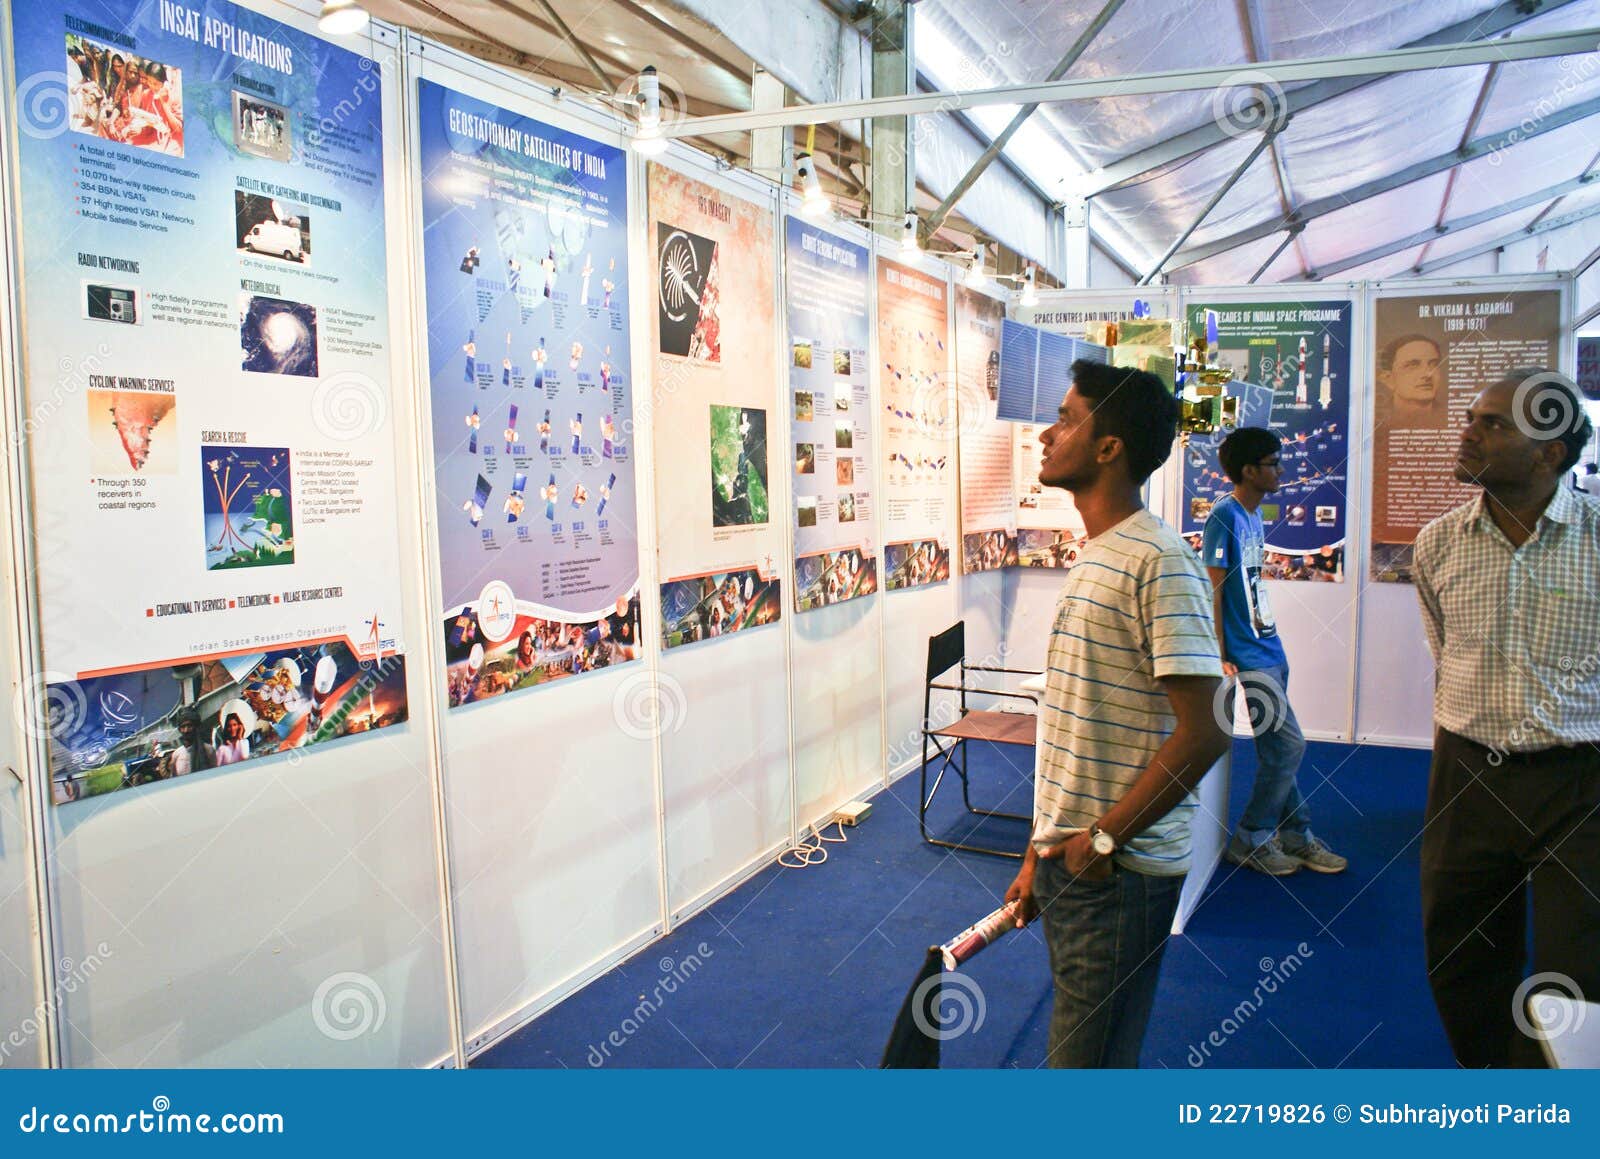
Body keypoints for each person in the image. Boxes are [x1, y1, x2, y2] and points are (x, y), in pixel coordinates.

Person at [1005, 360, 1229, 1068]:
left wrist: (1100, 841)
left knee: (1086, 1068)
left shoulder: (1159, 559)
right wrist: (1038, 851)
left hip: (1117, 872)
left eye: (1065, 419)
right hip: (1076, 861)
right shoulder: (1101, 553)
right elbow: (1073, 731)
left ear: (1109, 447)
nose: (1047, 434)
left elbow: (1207, 730)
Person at [1413, 367, 1600, 1068]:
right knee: (1459, 953)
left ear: (1550, 452)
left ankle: (1549, 1100)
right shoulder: (1439, 543)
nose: (1468, 433)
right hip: (1467, 774)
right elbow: (1445, 650)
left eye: (1492, 424)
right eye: (1471, 417)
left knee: (1579, 973)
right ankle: (1494, 1084)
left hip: (1580, 781)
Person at [1204, 427, 1347, 877]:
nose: (1281, 471)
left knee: (1276, 751)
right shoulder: (1224, 515)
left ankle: (1296, 835)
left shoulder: (1254, 515)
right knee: (1289, 746)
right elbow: (1213, 589)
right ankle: (1251, 835)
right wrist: (1219, 652)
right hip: (1248, 654)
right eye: (1273, 463)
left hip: (1269, 645)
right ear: (1249, 470)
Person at [1375, 333, 1446, 428]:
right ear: (1388, 379)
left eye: (1433, 364)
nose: (1428, 374)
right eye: (1413, 365)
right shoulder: (1375, 421)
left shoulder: (1449, 416)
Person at [167, 708, 215, 776]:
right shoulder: (177, 754)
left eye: (189, 726)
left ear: (196, 727)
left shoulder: (208, 750)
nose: (186, 730)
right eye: (183, 727)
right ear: (180, 730)